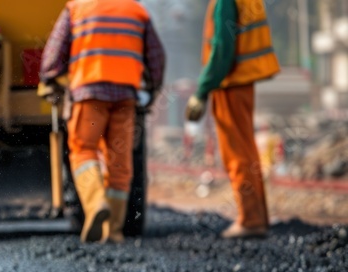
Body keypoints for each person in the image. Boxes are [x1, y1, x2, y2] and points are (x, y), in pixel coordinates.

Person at [40, 0, 165, 244]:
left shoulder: (78, 8)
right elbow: (157, 58)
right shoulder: (136, 10)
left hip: (90, 97)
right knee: (120, 162)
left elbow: (54, 53)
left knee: (84, 150)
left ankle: (96, 203)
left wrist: (49, 78)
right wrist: (152, 89)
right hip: (126, 98)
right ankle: (114, 231)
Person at [185, 0, 280, 239]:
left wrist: (202, 90)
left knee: (236, 153)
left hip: (230, 85)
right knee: (247, 150)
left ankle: (250, 220)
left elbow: (222, 48)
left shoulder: (225, 1)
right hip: (242, 84)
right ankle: (258, 217)